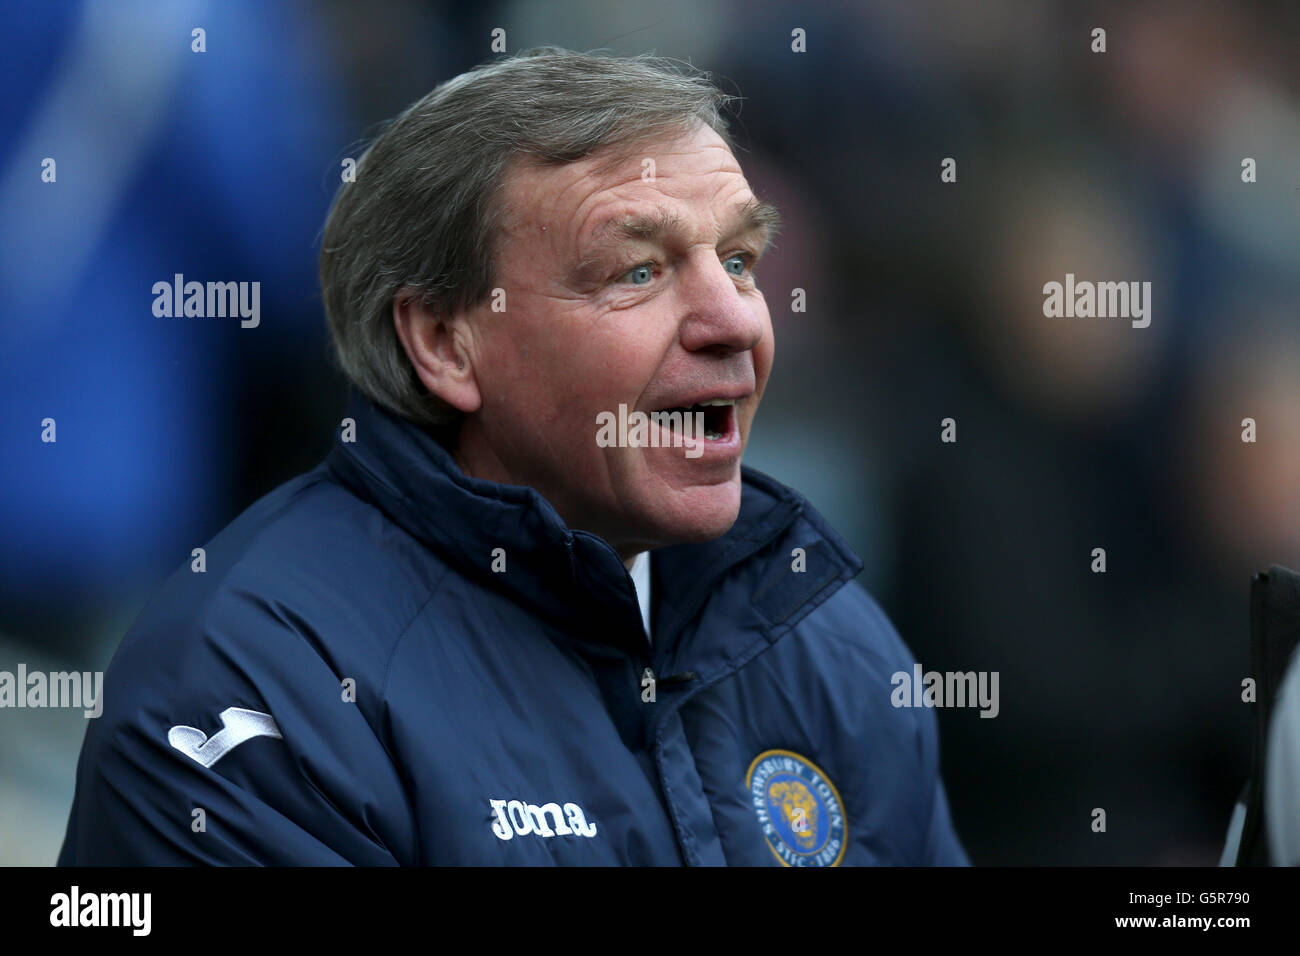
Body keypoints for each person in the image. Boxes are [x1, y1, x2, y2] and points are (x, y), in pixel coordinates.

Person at [58, 47, 969, 866]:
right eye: (638, 272)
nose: (734, 318)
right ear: (447, 343)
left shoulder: (828, 642)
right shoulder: (250, 685)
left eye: (738, 259)